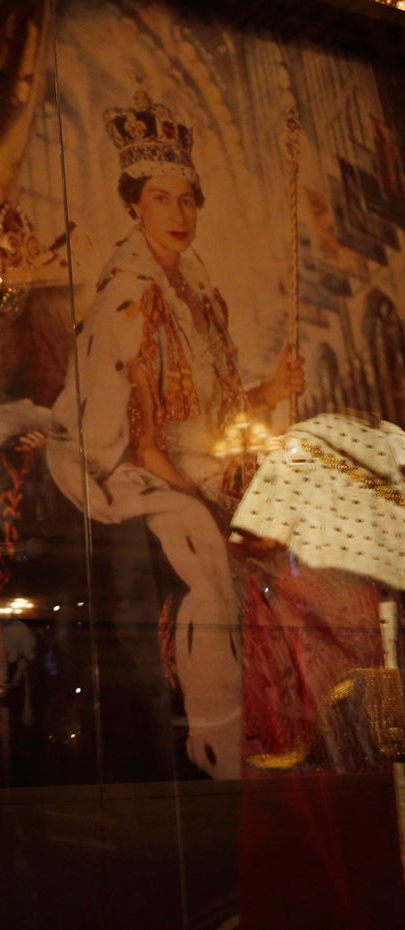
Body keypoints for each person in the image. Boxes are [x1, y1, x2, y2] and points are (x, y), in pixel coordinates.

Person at [45, 89, 305, 779]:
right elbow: (150, 442)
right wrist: (221, 512)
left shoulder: (196, 290)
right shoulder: (133, 300)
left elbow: (215, 411)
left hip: (215, 464)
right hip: (156, 475)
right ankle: (226, 740)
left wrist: (272, 392)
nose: (181, 214)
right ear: (136, 205)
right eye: (163, 198)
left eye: (189, 198)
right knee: (219, 559)